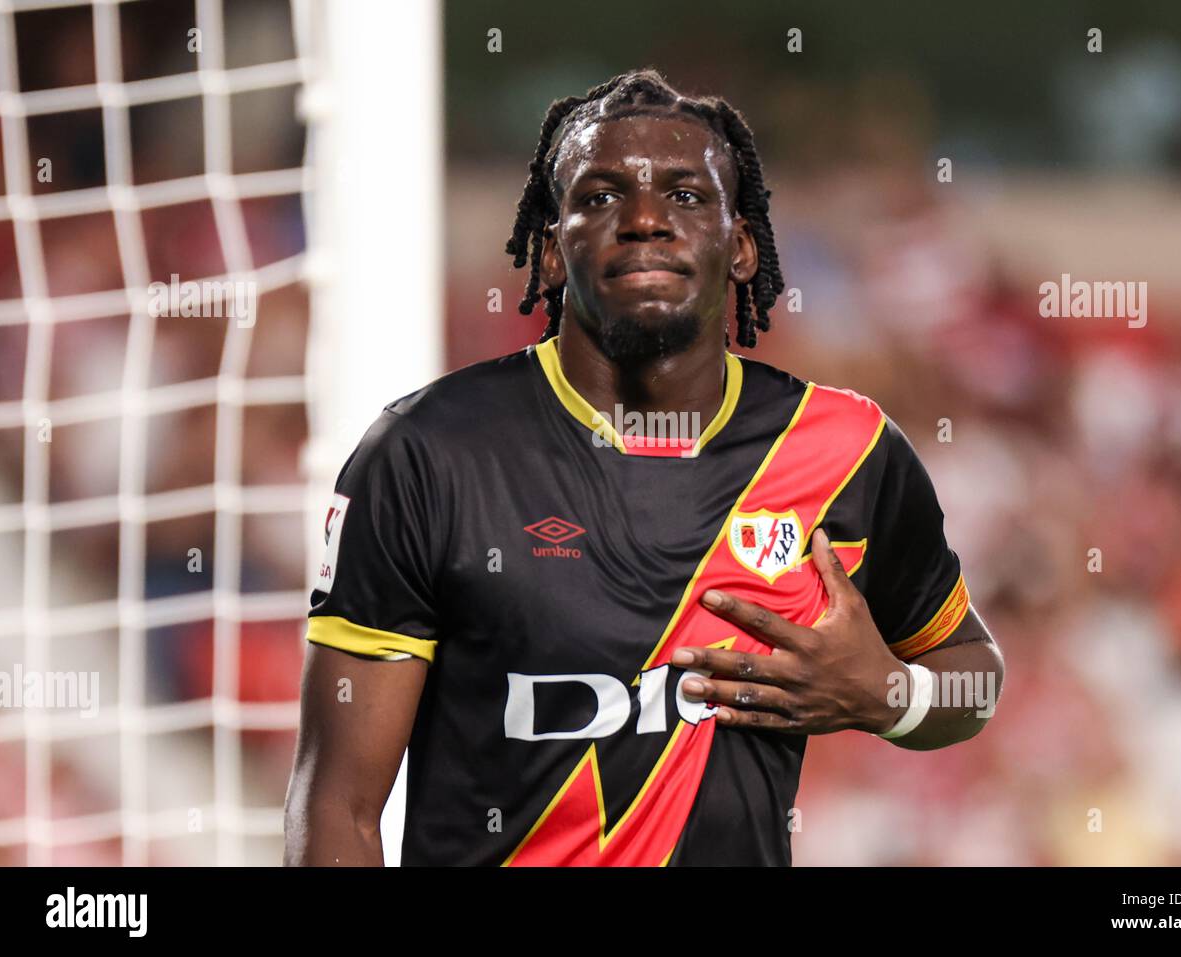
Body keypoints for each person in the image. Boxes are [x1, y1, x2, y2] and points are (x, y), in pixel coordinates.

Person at [284, 69, 1004, 866]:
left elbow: (975, 676)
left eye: (688, 196)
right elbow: (337, 805)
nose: (646, 219)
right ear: (552, 253)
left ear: (740, 247)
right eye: (599, 196)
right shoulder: (429, 454)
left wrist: (889, 697)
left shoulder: (847, 450)